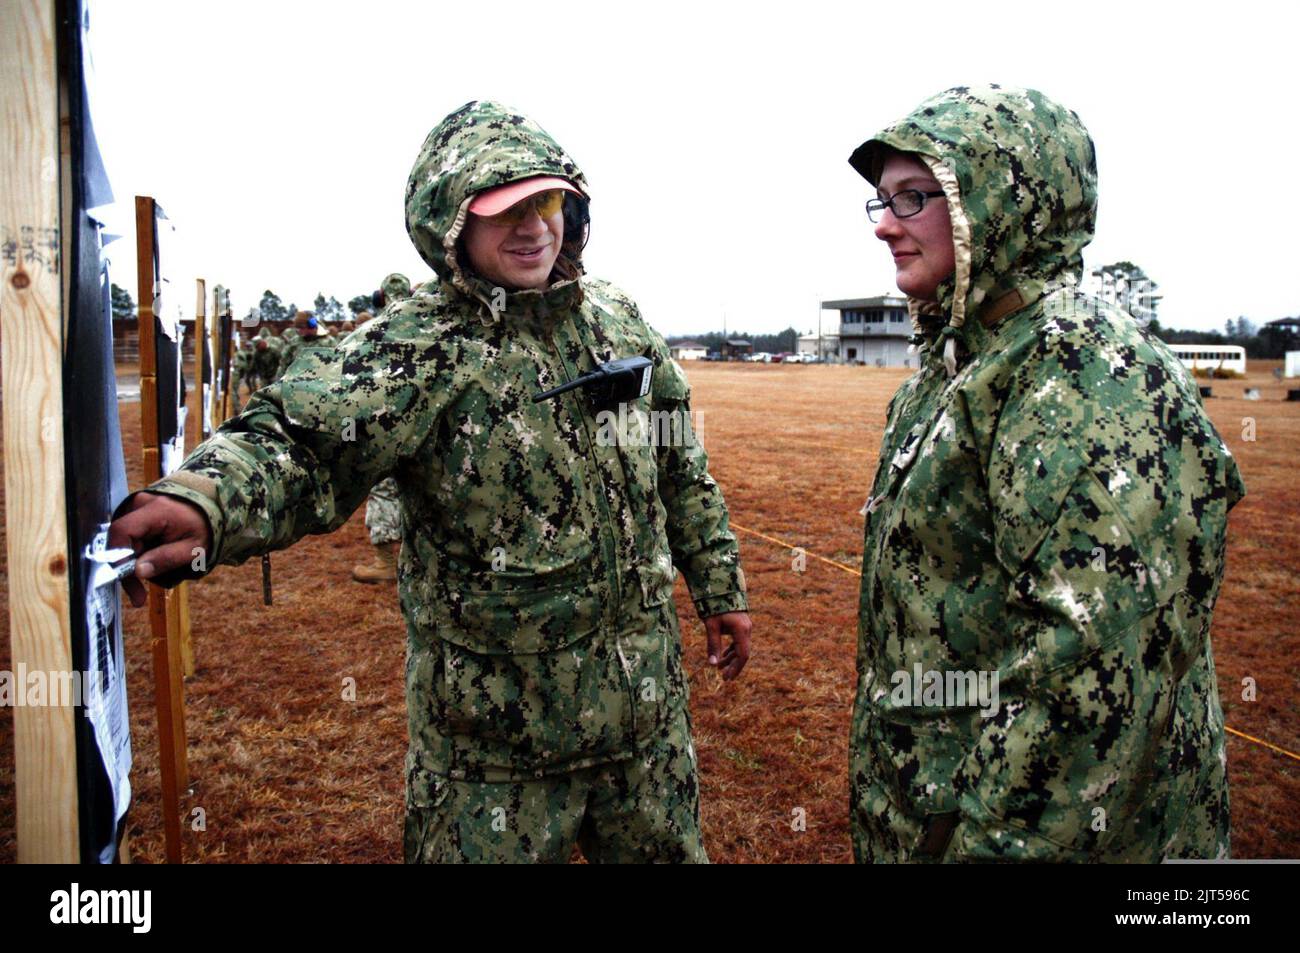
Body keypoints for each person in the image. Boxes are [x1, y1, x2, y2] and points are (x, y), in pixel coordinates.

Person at [108, 99, 752, 864]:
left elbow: (680, 468)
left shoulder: (617, 323)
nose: (535, 226)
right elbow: (301, 441)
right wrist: (207, 498)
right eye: (504, 209)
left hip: (645, 732)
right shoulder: (417, 347)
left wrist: (720, 588)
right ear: (450, 222)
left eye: (547, 201)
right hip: (494, 759)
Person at [846, 85, 1244, 862]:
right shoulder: (969, 360)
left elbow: (1088, 697)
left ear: (1000, 204)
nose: (887, 223)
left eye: (915, 196)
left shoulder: (1083, 380)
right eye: (882, 201)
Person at [351, 280, 412, 584]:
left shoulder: (378, 328)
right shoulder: (425, 319)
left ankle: (385, 562)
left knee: (382, 488)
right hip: (423, 422)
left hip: (385, 421)